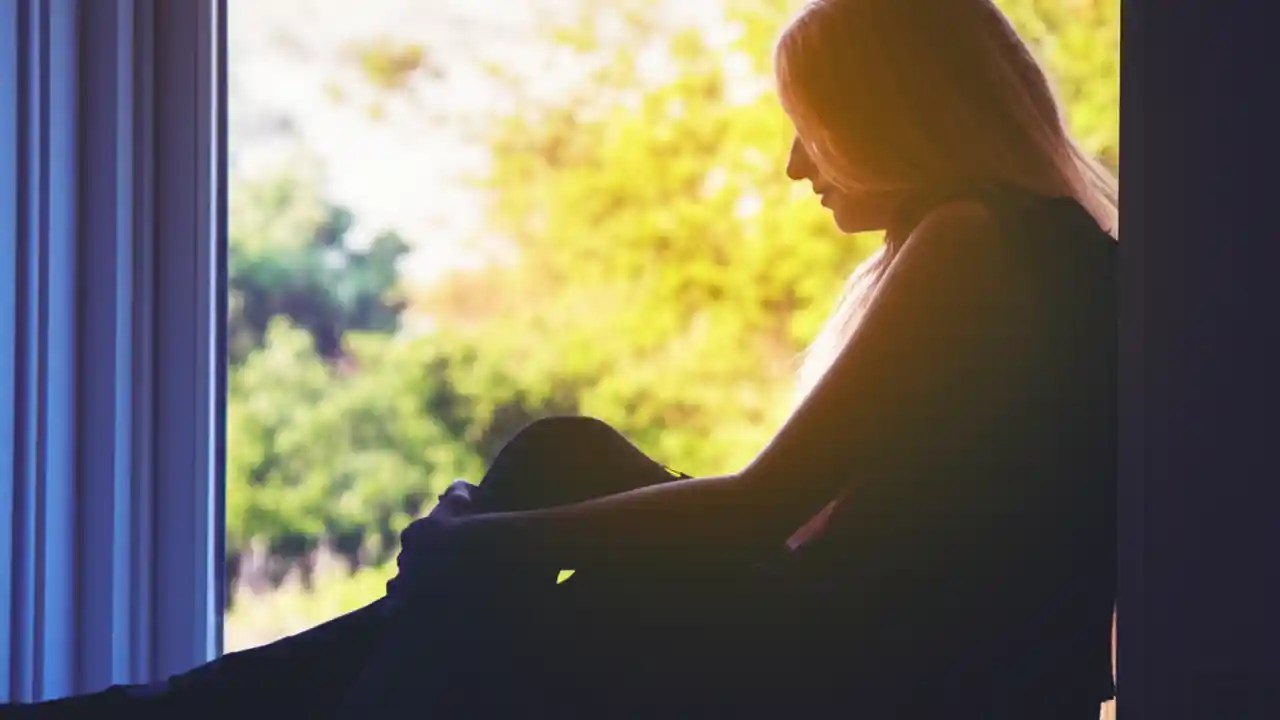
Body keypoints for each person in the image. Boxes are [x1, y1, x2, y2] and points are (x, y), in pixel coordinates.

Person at [4, 0, 1118, 717]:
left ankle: (178, 708)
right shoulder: (1028, 238)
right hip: (887, 634)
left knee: (494, 553)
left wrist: (484, 547)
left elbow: (763, 504)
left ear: (899, 117)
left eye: (813, 126)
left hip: (872, 666)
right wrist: (483, 550)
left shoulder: (976, 238)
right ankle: (192, 705)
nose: (792, 166)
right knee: (556, 463)